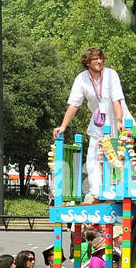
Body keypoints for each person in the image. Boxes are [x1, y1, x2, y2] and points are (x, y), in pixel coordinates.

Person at [54, 47, 127, 202]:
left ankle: (120, 191)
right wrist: (63, 126)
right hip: (99, 122)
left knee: (120, 155)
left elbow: (117, 99)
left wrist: (120, 121)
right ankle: (97, 192)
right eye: (95, 59)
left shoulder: (111, 74)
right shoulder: (81, 79)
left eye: (101, 58)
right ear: (87, 62)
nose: (99, 61)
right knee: (93, 155)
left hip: (118, 120)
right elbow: (74, 104)